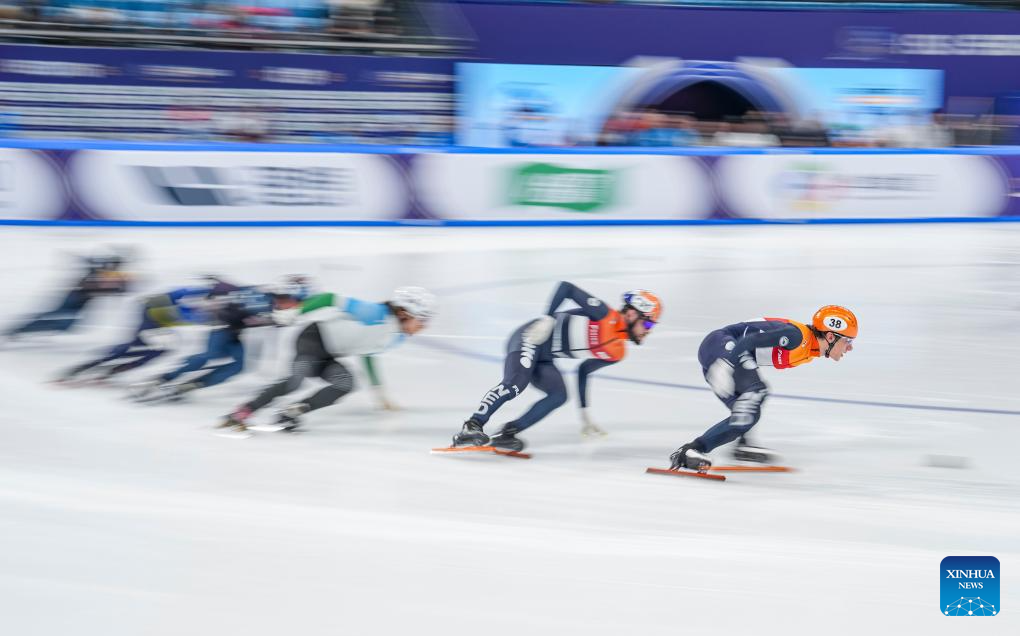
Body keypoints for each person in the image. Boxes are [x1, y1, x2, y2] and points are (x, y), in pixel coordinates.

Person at [452, 281, 661, 452]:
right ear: (632, 314)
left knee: (559, 395)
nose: (648, 331)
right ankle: (472, 425)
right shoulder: (604, 314)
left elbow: (583, 370)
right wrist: (547, 318)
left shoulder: (617, 352)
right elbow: (566, 288)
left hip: (545, 358)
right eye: (649, 324)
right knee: (516, 383)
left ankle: (507, 432)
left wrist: (584, 411)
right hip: (529, 338)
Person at [218, 286, 436, 434]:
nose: (424, 327)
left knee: (345, 383)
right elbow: (330, 298)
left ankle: (293, 411)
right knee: (296, 379)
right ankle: (244, 411)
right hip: (312, 340)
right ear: (404, 312)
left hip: (328, 356)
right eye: (422, 320)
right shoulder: (374, 313)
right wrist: (296, 311)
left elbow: (369, 353)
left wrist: (378, 390)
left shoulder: (396, 337)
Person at [670, 305, 858, 471]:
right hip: (722, 347)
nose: (849, 348)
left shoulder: (811, 349)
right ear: (831, 336)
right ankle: (690, 450)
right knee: (756, 393)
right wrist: (726, 365)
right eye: (848, 341)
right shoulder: (797, 337)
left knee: (748, 414)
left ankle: (740, 444)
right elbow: (748, 342)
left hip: (723, 351)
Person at [131, 277, 310, 402]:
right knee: (209, 354)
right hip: (222, 326)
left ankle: (194, 384)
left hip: (233, 332)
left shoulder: (272, 302)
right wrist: (271, 317)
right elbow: (244, 304)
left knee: (240, 365)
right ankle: (164, 378)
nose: (294, 306)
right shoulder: (262, 299)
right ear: (284, 296)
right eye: (294, 301)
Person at [56, 281, 226, 384]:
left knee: (150, 348)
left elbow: (194, 313)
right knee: (145, 347)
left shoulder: (205, 312)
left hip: (158, 320)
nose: (212, 306)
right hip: (151, 316)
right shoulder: (194, 302)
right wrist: (208, 289)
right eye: (212, 303)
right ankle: (98, 367)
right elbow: (175, 297)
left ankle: (102, 367)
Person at [5, 253, 131, 339]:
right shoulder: (100, 272)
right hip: (74, 298)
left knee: (64, 322)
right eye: (115, 264)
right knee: (60, 319)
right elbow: (96, 282)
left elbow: (113, 289)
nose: (116, 267)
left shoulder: (110, 274)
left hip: (81, 300)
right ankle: (20, 329)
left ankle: (23, 329)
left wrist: (117, 289)